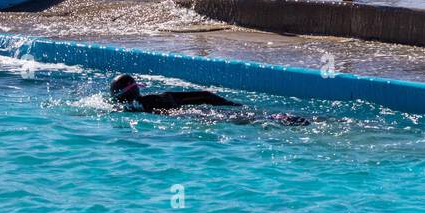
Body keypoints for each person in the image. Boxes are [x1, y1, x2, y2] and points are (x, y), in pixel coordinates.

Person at [108, 74, 311, 125]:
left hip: (193, 118)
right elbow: (204, 95)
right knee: (249, 118)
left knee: (247, 122)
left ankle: (279, 119)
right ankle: (280, 118)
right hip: (195, 113)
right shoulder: (159, 98)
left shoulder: (128, 111)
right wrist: (234, 104)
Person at [109, 74, 239, 112]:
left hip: (184, 117)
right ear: (136, 88)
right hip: (188, 113)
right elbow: (205, 95)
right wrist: (231, 104)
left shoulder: (122, 109)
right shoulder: (158, 99)